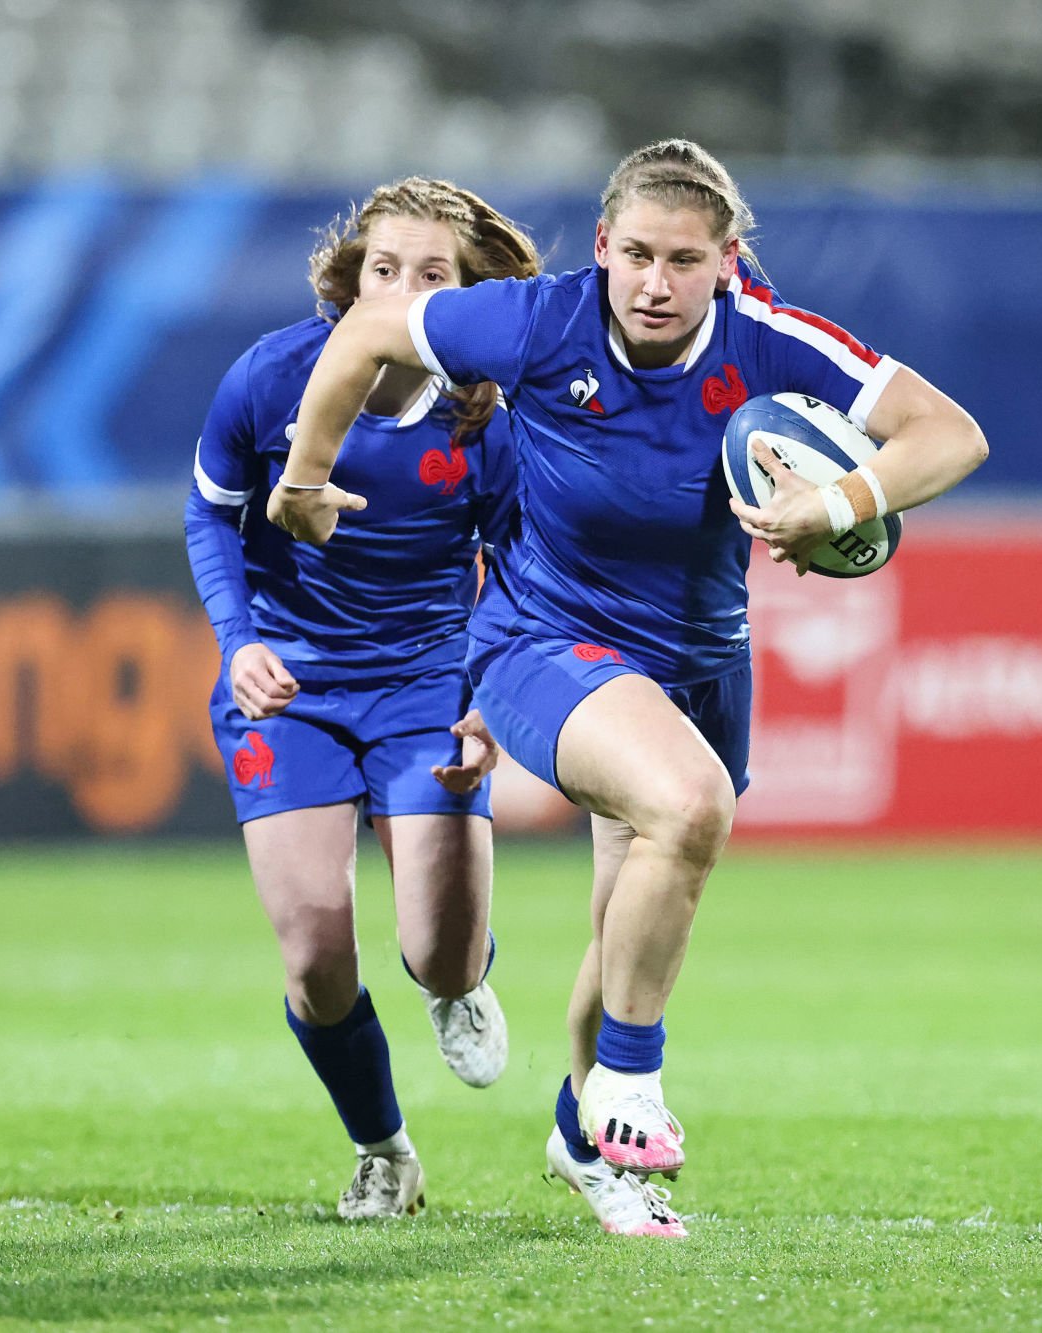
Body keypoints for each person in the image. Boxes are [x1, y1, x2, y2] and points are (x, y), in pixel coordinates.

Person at [267, 140, 989, 1237]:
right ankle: (633, 1083)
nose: (656, 282)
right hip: (542, 643)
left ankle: (583, 1138)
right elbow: (369, 330)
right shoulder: (536, 321)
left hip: (701, 661)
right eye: (638, 254)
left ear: (726, 262)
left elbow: (951, 434)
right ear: (602, 246)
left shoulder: (769, 340)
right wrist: (304, 478)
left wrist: (839, 502)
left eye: (684, 260)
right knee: (689, 804)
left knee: (626, 928)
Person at [184, 177, 540, 1220]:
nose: (402, 290)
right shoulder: (271, 376)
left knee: (438, 950)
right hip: (289, 686)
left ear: (465, 295)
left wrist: (490, 690)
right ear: (353, 276)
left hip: (427, 684)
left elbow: (520, 566)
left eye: (432, 274)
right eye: (384, 268)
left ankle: (457, 980)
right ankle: (383, 1149)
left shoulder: (485, 412)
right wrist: (240, 643)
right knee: (314, 954)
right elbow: (209, 514)